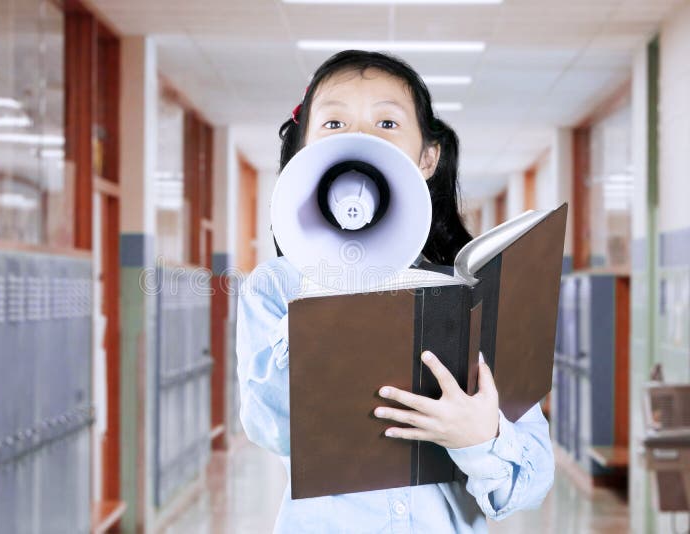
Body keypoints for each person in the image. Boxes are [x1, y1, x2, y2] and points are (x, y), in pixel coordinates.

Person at [235, 50, 554, 534]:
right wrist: (326, 292)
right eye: (335, 123)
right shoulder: (277, 287)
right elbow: (271, 428)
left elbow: (531, 484)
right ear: (304, 148)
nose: (361, 138)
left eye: (386, 122)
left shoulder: (475, 293)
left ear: (429, 157)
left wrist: (479, 437)